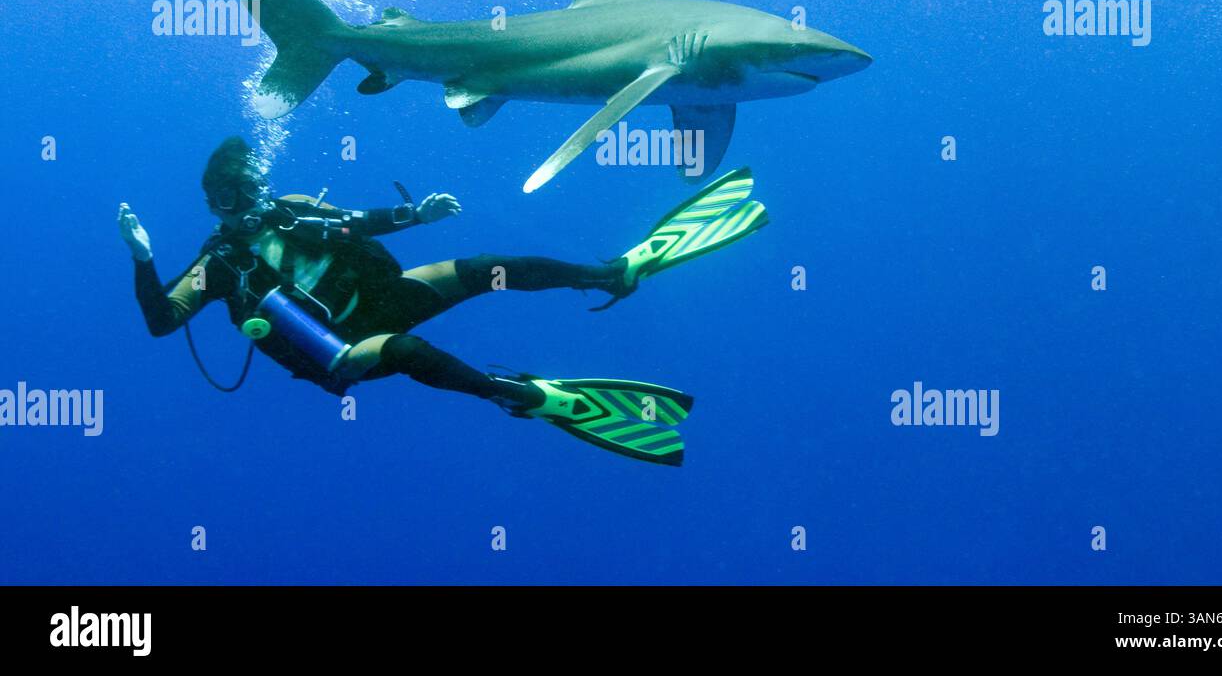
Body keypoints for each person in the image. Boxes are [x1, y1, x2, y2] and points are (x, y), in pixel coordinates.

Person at [119, 137, 767, 465]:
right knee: (406, 352)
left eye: (246, 188)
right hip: (341, 349)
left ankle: (612, 273)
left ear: (259, 184)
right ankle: (520, 394)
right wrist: (144, 258)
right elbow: (160, 320)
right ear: (213, 204)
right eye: (225, 198)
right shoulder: (218, 265)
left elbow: (354, 221)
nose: (240, 205)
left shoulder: (290, 209)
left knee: (486, 269)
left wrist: (416, 214)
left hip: (383, 295)